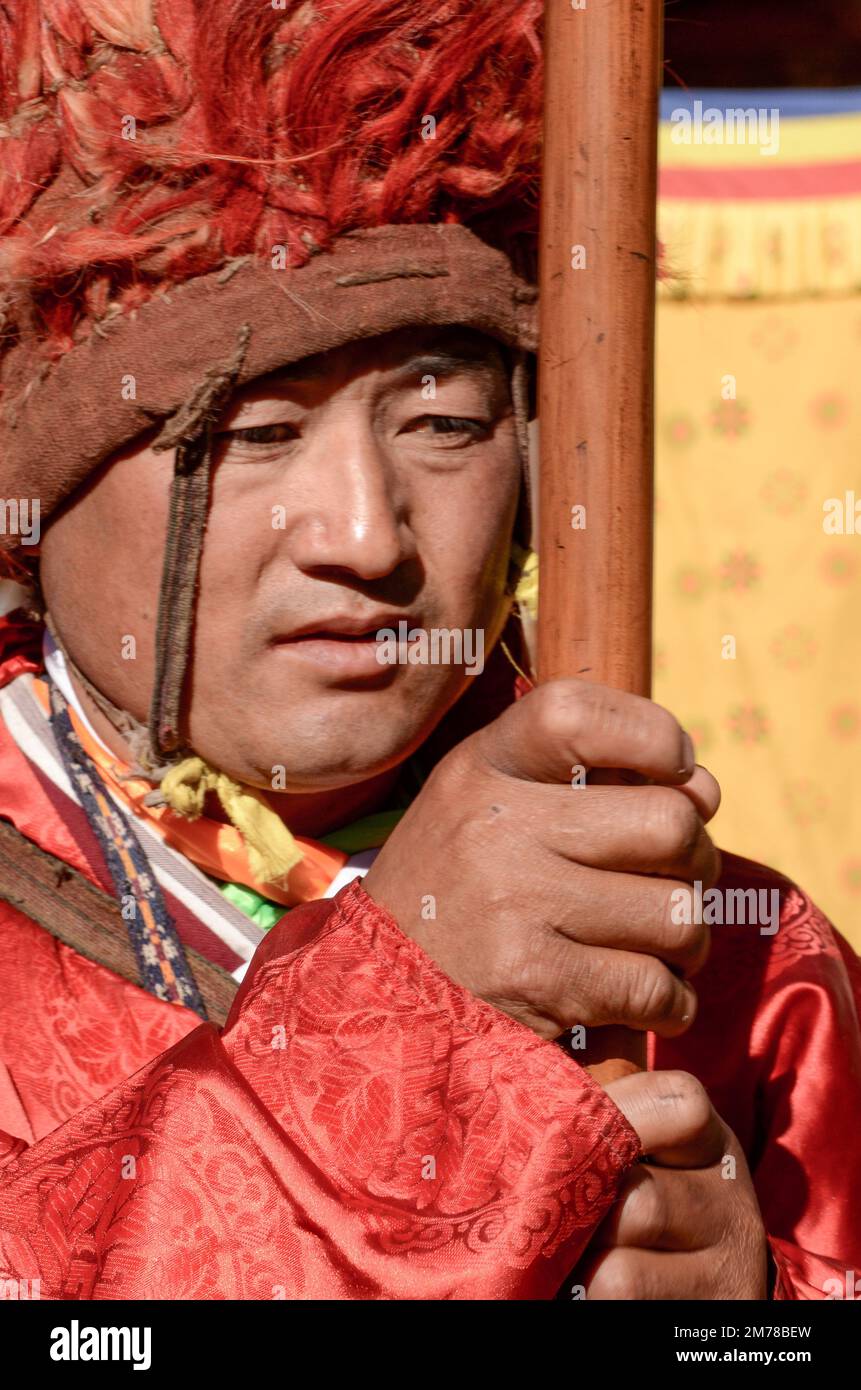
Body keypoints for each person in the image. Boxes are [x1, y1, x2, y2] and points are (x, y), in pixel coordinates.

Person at [0, 0, 858, 1301]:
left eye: (445, 420)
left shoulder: (739, 964)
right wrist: (399, 1016)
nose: (362, 534)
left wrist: (755, 1311)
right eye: (254, 433)